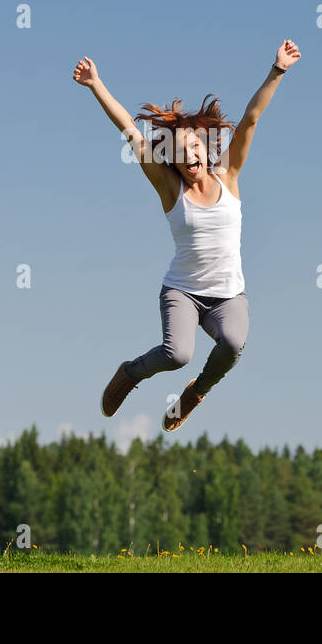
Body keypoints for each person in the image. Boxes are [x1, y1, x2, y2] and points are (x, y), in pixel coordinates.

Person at [72, 40, 301, 431]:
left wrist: (276, 71)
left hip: (228, 294)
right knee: (177, 354)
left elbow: (251, 118)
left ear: (206, 148)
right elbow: (131, 130)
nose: (190, 156)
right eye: (181, 152)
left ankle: (195, 393)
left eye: (195, 147)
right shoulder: (170, 190)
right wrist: (96, 85)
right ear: (174, 159)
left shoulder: (228, 175)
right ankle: (129, 373)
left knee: (232, 344)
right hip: (183, 291)